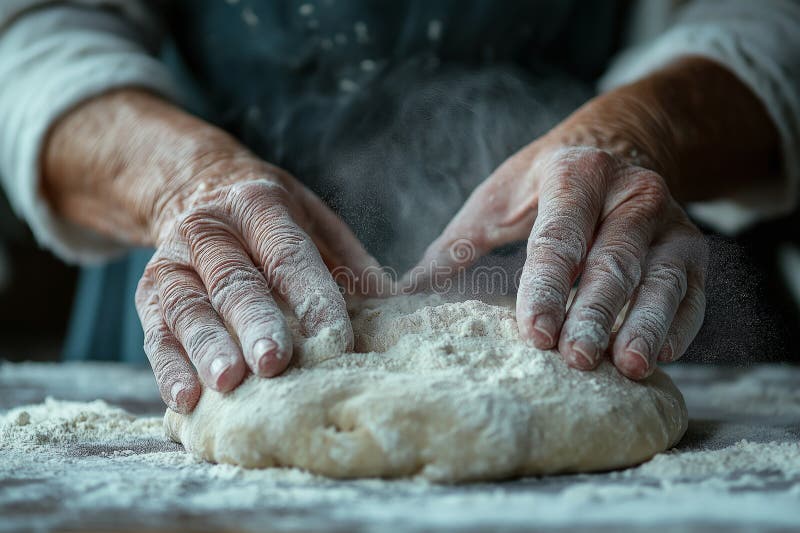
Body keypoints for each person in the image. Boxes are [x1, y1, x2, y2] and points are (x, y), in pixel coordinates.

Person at [0, 1, 797, 413]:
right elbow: (27, 27)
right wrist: (182, 183)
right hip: (220, 293)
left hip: (609, 287)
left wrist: (643, 131)